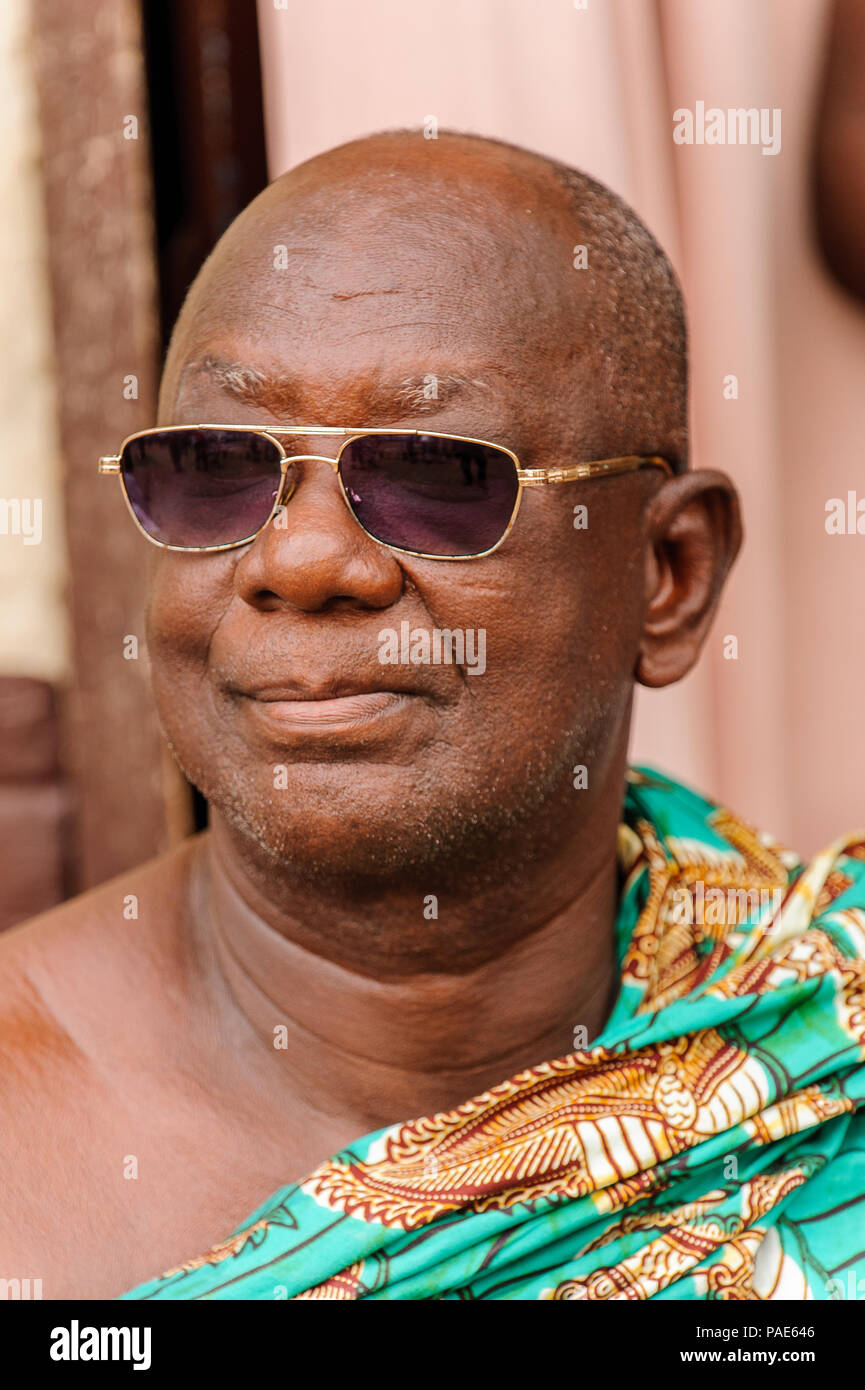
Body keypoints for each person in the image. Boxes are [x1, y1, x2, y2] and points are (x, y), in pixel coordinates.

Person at [1, 131, 863, 1302]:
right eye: (215, 468)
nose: (299, 557)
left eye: (436, 473)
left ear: (669, 572)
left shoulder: (824, 1031)